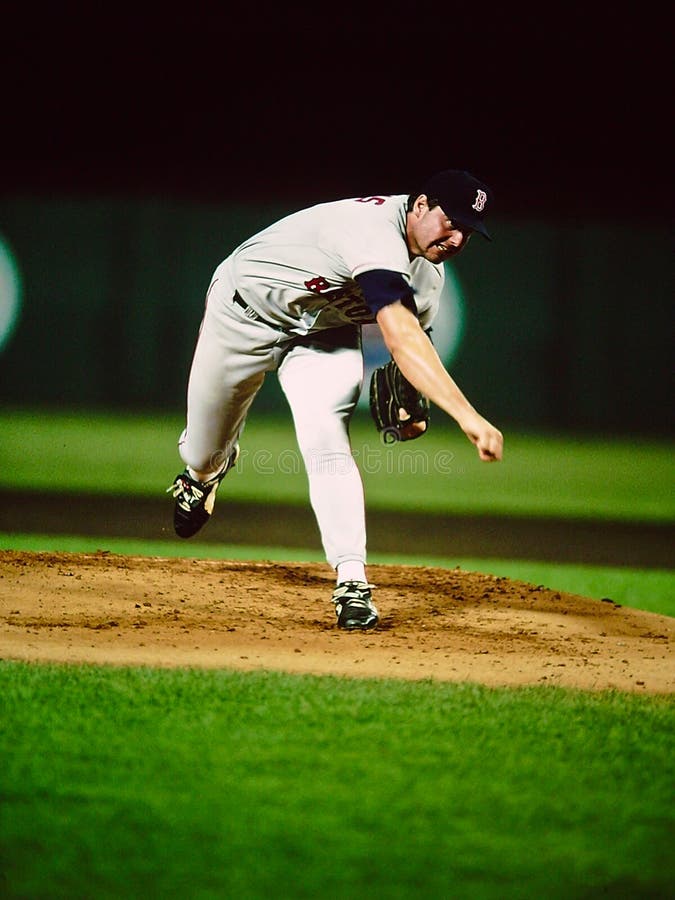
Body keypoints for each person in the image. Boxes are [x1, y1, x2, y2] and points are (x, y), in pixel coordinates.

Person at [169, 169, 504, 630]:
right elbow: (403, 338)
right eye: (452, 221)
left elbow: (409, 354)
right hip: (243, 311)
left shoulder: (428, 280)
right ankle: (205, 473)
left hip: (323, 337)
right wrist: (468, 417)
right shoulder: (373, 231)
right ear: (421, 204)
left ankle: (352, 583)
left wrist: (409, 397)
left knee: (327, 438)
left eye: (468, 230)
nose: (457, 237)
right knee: (203, 450)